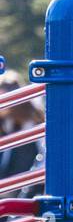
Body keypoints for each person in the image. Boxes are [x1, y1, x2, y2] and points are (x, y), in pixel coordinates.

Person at [0, 71, 45, 199]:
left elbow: (30, 163)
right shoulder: (6, 123)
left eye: (4, 98)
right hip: (10, 187)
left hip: (28, 188)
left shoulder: (33, 124)